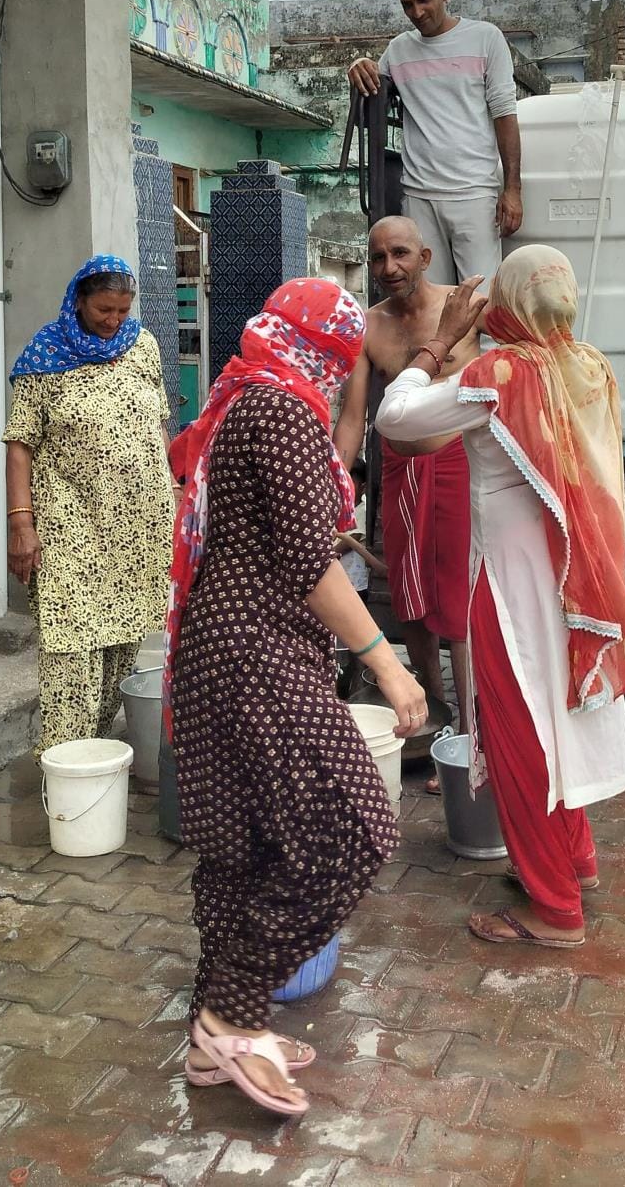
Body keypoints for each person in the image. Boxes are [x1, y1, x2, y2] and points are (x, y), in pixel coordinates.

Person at [166, 277, 427, 1118]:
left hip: (221, 648)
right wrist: (388, 664)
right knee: (354, 824)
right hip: (256, 650)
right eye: (345, 360)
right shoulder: (279, 411)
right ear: (324, 352)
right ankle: (233, 1011)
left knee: (241, 847)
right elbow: (312, 562)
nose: (346, 373)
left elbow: (322, 482)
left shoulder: (253, 393)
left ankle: (212, 1039)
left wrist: (353, 389)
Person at [375, 245, 625, 948]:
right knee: (558, 722)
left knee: (520, 735)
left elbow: (395, 417)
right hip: (576, 587)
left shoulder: (502, 374)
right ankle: (574, 863)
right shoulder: (587, 366)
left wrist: (439, 342)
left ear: (507, 302)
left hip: (512, 587)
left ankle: (555, 910)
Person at [3, 255, 173, 758]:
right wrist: (20, 523)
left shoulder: (143, 345)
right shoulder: (46, 355)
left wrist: (174, 490)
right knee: (70, 646)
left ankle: (92, 756)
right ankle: (64, 759)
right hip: (70, 522)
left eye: (123, 310)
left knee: (124, 644)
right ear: (78, 301)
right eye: (104, 309)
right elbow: (19, 445)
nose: (114, 320)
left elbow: (159, 424)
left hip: (139, 523)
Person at [334, 218, 480, 769]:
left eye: (399, 254)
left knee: (459, 603)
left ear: (424, 257)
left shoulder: (465, 308)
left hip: (459, 463)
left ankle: (471, 737)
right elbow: (353, 418)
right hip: (398, 470)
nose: (388, 268)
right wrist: (332, 492)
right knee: (409, 597)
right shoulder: (368, 326)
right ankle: (435, 719)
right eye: (377, 258)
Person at [348, 0, 522, 288]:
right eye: (407, 4)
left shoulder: (486, 38)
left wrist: (513, 190)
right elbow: (372, 90)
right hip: (419, 196)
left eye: (424, 0)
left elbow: (504, 114)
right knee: (427, 300)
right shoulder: (398, 50)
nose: (417, 12)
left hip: (474, 194)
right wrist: (358, 65)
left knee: (480, 299)